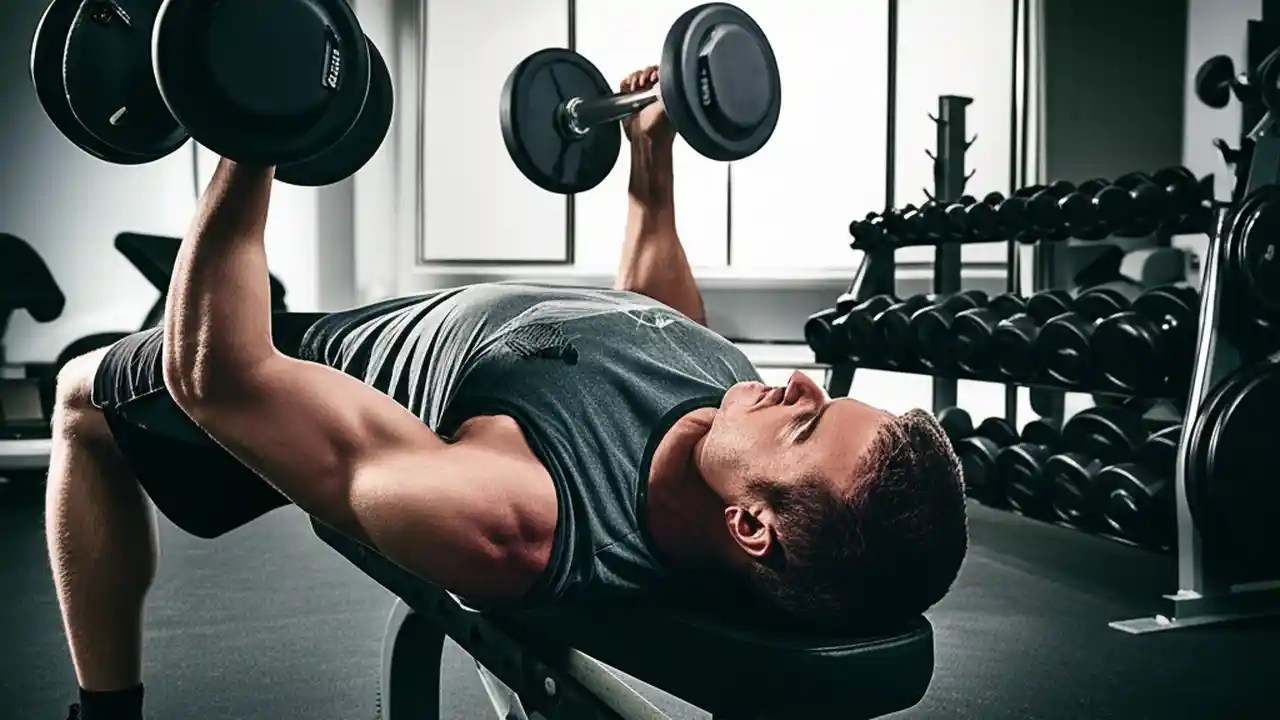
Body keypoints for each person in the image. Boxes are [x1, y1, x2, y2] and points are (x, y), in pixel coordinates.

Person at [47, 66, 968, 720]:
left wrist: (253, 122)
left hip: (305, 364)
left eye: (807, 425)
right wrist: (652, 164)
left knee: (80, 400)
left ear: (751, 528)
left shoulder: (517, 510)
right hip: (414, 317)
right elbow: (661, 314)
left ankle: (104, 708)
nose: (799, 384)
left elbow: (219, 375)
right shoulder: (731, 410)